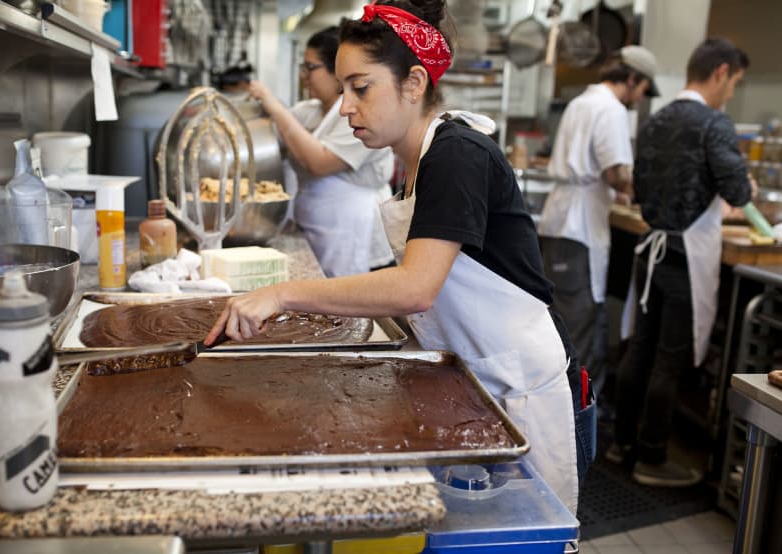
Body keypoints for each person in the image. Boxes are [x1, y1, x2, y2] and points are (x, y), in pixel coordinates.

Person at [208, 0, 591, 513]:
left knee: (517, 532)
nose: (345, 107)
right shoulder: (414, 160)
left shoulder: (457, 154)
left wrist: (281, 294)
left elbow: (416, 287)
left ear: (414, 83)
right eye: (343, 88)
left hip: (517, 390)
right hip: (469, 374)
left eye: (360, 88)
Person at [607, 38, 752, 487]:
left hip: (651, 247)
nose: (731, 93)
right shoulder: (714, 123)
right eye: (735, 84)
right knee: (669, 360)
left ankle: (621, 444)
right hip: (686, 257)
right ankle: (652, 457)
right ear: (721, 72)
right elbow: (739, 193)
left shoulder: (655, 119)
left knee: (639, 350)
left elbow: (640, 188)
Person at [538, 46, 659, 395]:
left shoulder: (582, 101)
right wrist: (640, 192)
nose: (640, 98)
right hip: (580, 229)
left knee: (559, 326)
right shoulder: (611, 109)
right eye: (642, 89)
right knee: (578, 329)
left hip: (561, 221)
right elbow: (616, 172)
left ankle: (563, 411)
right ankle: (576, 419)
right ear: (632, 78)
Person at [247, 26, 395, 277]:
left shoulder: (360, 114)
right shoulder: (309, 111)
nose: (304, 76)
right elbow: (270, 144)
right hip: (318, 228)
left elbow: (319, 162)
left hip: (354, 234)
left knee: (352, 307)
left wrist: (276, 107)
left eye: (310, 67)